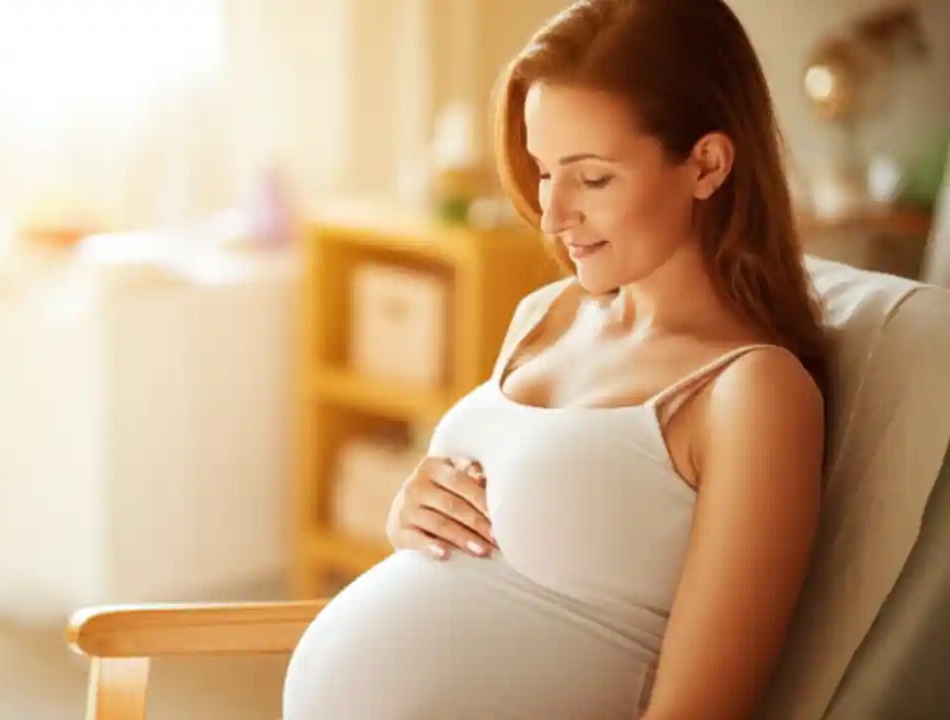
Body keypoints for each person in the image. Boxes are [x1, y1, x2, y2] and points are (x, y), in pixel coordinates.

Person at [281, 0, 828, 717]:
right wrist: (413, 518)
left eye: (592, 178)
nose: (552, 214)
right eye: (543, 172)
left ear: (706, 164)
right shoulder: (549, 314)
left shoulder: (752, 392)